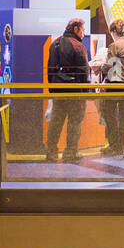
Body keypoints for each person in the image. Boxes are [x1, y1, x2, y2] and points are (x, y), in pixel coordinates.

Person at [45, 18, 89, 162]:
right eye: (83, 30)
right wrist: (84, 93)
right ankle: (70, 152)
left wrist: (53, 89)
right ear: (76, 29)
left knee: (56, 122)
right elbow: (84, 73)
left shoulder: (55, 43)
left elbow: (50, 69)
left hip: (59, 90)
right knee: (74, 122)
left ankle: (51, 152)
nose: (84, 33)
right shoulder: (78, 46)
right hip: (75, 92)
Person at [99, 19, 124, 156]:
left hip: (116, 84)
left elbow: (110, 67)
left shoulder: (115, 45)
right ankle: (123, 144)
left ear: (114, 32)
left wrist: (100, 69)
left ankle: (114, 144)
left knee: (109, 113)